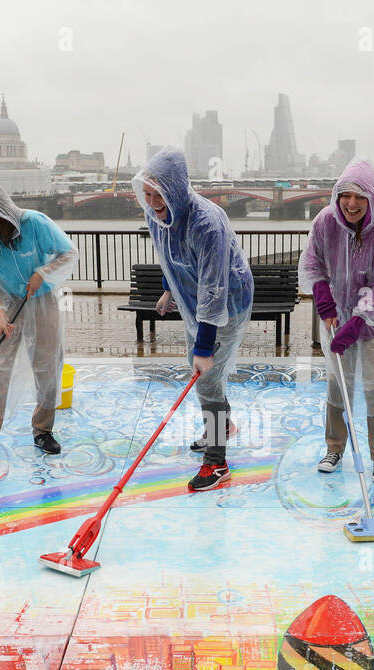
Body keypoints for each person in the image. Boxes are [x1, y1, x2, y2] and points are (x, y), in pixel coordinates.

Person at [132, 147, 254, 491]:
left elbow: (214, 288)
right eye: (148, 194)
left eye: (160, 194)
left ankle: (217, 463)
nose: (154, 202)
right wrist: (168, 289)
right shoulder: (159, 215)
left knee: (207, 378)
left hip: (227, 301)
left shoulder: (205, 223)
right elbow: (170, 255)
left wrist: (205, 344)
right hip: (192, 297)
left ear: (176, 189)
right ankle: (223, 426)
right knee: (203, 375)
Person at [299, 158, 374, 484]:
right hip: (337, 318)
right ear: (337, 196)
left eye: (360, 196)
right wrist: (325, 300)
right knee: (338, 383)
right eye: (345, 195)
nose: (351, 203)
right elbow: (313, 264)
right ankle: (334, 448)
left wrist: (359, 321)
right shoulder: (326, 222)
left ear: (372, 198)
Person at [0, 165, 78, 461]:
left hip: (40, 299)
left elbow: (68, 254)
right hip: (7, 303)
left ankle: (43, 430)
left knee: (47, 365)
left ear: (0, 206)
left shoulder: (35, 223)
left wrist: (43, 273)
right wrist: (0, 312)